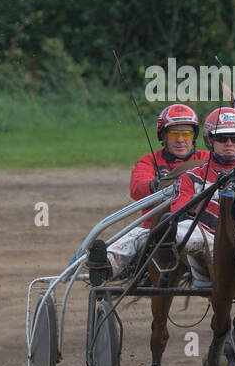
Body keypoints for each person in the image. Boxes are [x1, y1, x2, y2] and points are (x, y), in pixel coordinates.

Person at [88, 104, 209, 284]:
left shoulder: (206, 158)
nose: (181, 140)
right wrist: (154, 185)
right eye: (174, 134)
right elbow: (137, 187)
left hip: (201, 226)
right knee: (132, 239)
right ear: (163, 137)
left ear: (194, 137)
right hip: (154, 228)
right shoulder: (150, 161)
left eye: (187, 134)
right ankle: (105, 266)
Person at [165, 107, 235, 287]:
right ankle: (166, 240)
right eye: (221, 138)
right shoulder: (190, 177)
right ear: (210, 140)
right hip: (205, 241)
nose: (229, 143)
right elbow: (179, 210)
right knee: (186, 228)